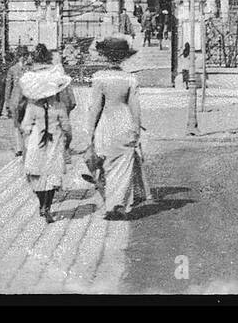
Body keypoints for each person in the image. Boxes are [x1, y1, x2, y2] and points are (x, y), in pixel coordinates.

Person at [87, 37, 149, 219]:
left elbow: (96, 107)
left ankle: (110, 203)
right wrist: (137, 129)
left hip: (106, 124)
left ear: (105, 57)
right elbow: (135, 108)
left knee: (106, 164)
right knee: (123, 166)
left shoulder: (99, 78)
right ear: (123, 58)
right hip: (125, 122)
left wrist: (90, 131)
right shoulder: (130, 78)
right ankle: (118, 203)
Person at [17, 44, 75, 223]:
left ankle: (41, 203)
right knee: (52, 176)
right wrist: (68, 141)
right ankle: (47, 206)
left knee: (37, 175)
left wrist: (27, 140)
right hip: (55, 141)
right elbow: (67, 127)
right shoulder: (59, 107)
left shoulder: (33, 107)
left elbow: (25, 127)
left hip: (36, 141)